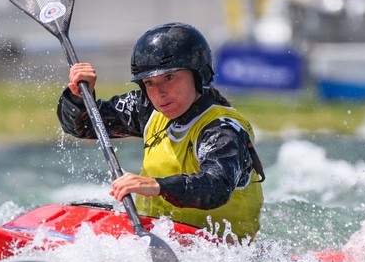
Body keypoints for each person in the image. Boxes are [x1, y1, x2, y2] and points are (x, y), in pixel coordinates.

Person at [57, 22, 265, 241]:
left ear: (198, 75)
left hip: (222, 253)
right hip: (158, 236)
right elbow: (84, 126)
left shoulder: (222, 129)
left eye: (169, 77)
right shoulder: (147, 108)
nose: (159, 93)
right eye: (149, 82)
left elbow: (216, 186)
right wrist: (79, 96)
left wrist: (157, 185)